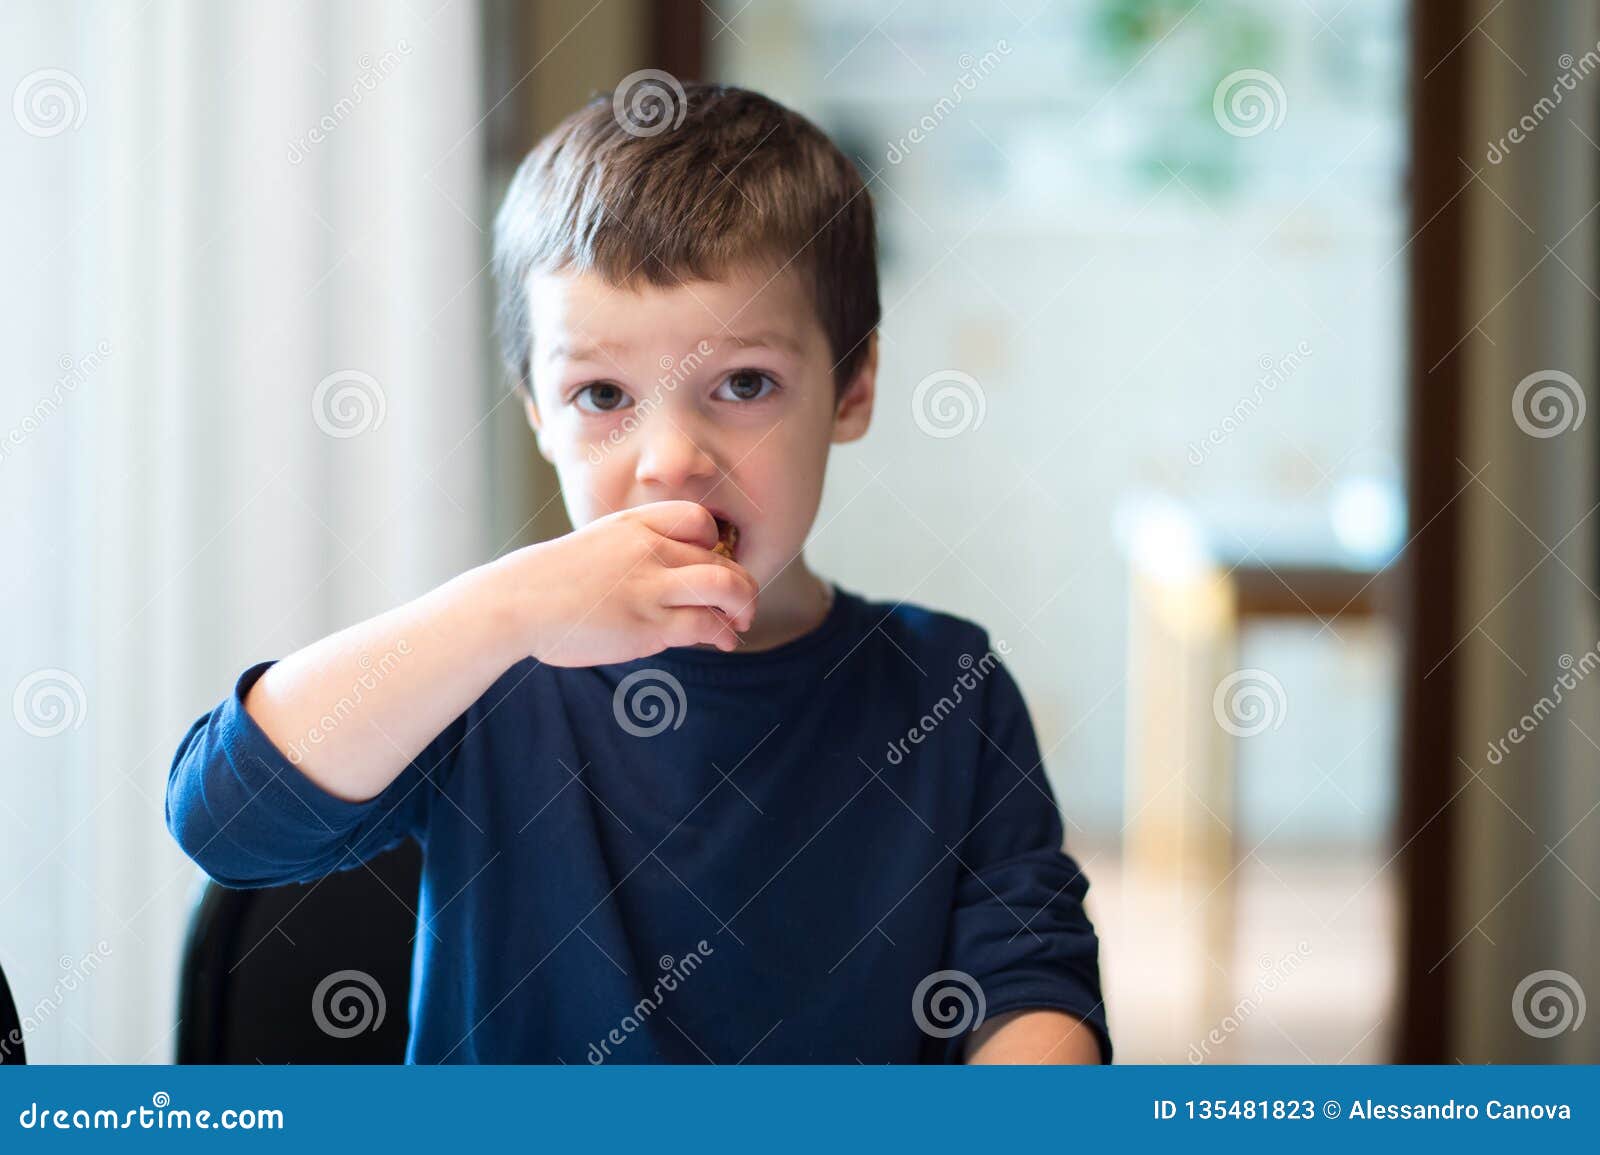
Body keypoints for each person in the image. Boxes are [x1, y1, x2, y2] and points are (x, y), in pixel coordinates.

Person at [166, 82, 1109, 1065]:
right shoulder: (481, 672)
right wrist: (506, 607)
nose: (671, 460)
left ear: (852, 388)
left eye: (744, 384)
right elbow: (224, 822)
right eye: (602, 394)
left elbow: (1030, 988)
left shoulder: (949, 691)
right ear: (537, 411)